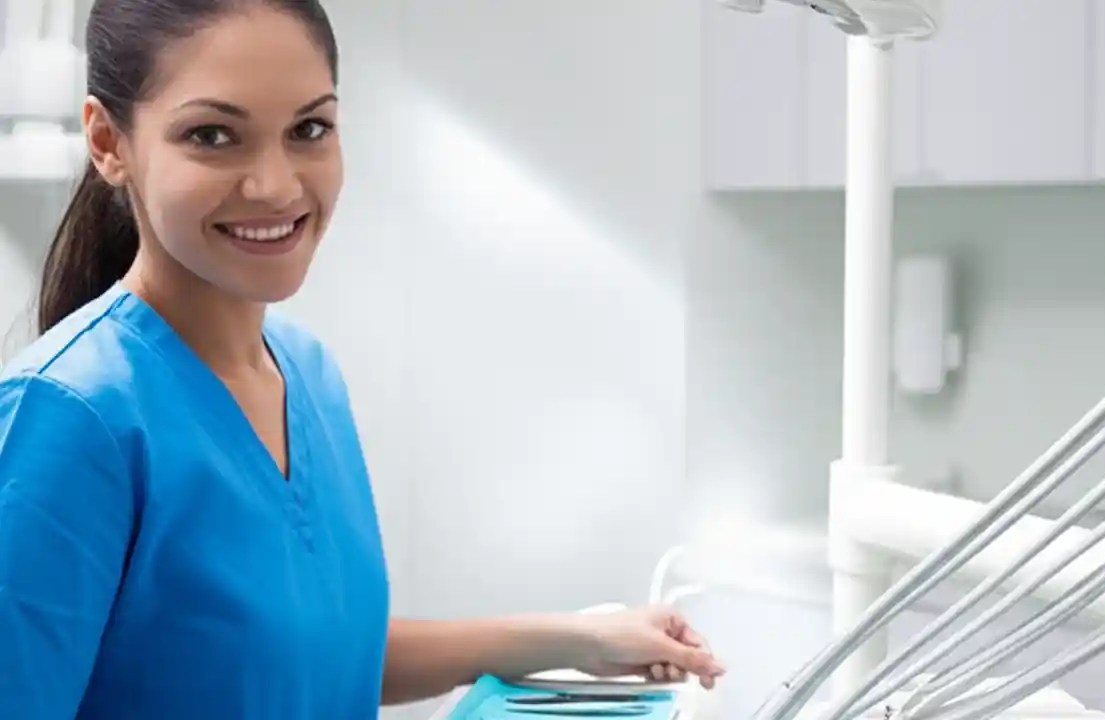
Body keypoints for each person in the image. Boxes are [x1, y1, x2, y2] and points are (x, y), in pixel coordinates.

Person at [0, 1, 725, 717]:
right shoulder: (71, 416)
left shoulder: (306, 372)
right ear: (107, 143)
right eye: (213, 135)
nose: (276, 185)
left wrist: (583, 638)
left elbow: (311, 654)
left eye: (308, 129)